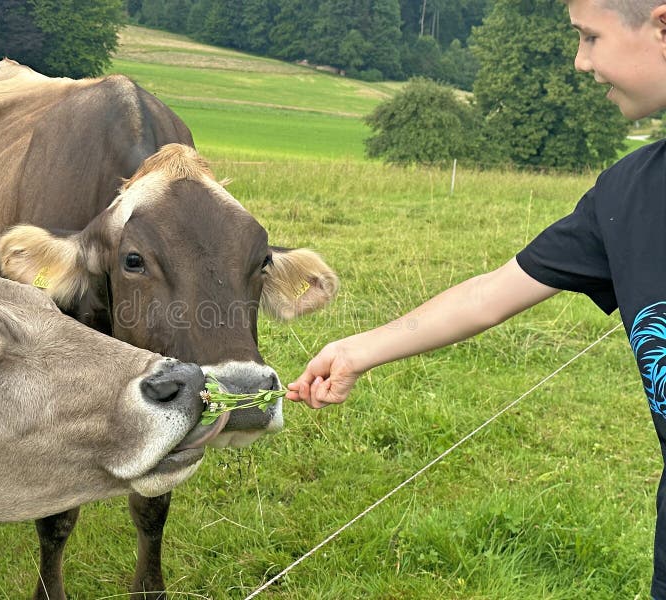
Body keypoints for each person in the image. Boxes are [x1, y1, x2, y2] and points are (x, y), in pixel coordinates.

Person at [285, 0, 666, 597]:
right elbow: (491, 294)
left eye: (590, 37)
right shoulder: (628, 193)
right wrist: (356, 350)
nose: (579, 61)